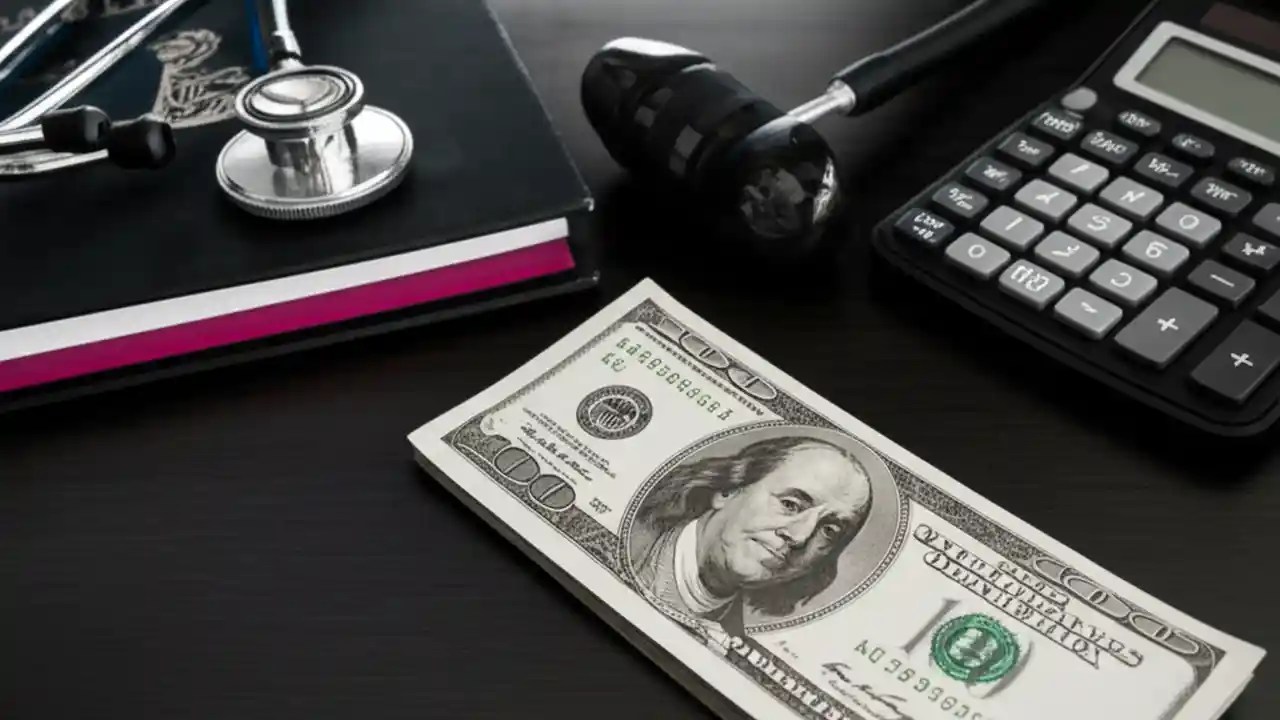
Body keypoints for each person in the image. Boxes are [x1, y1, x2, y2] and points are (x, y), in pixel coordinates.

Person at [630, 436, 874, 635]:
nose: (799, 537)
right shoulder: (629, 538)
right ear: (728, 490)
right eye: (790, 504)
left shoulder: (730, 644)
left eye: (829, 531)